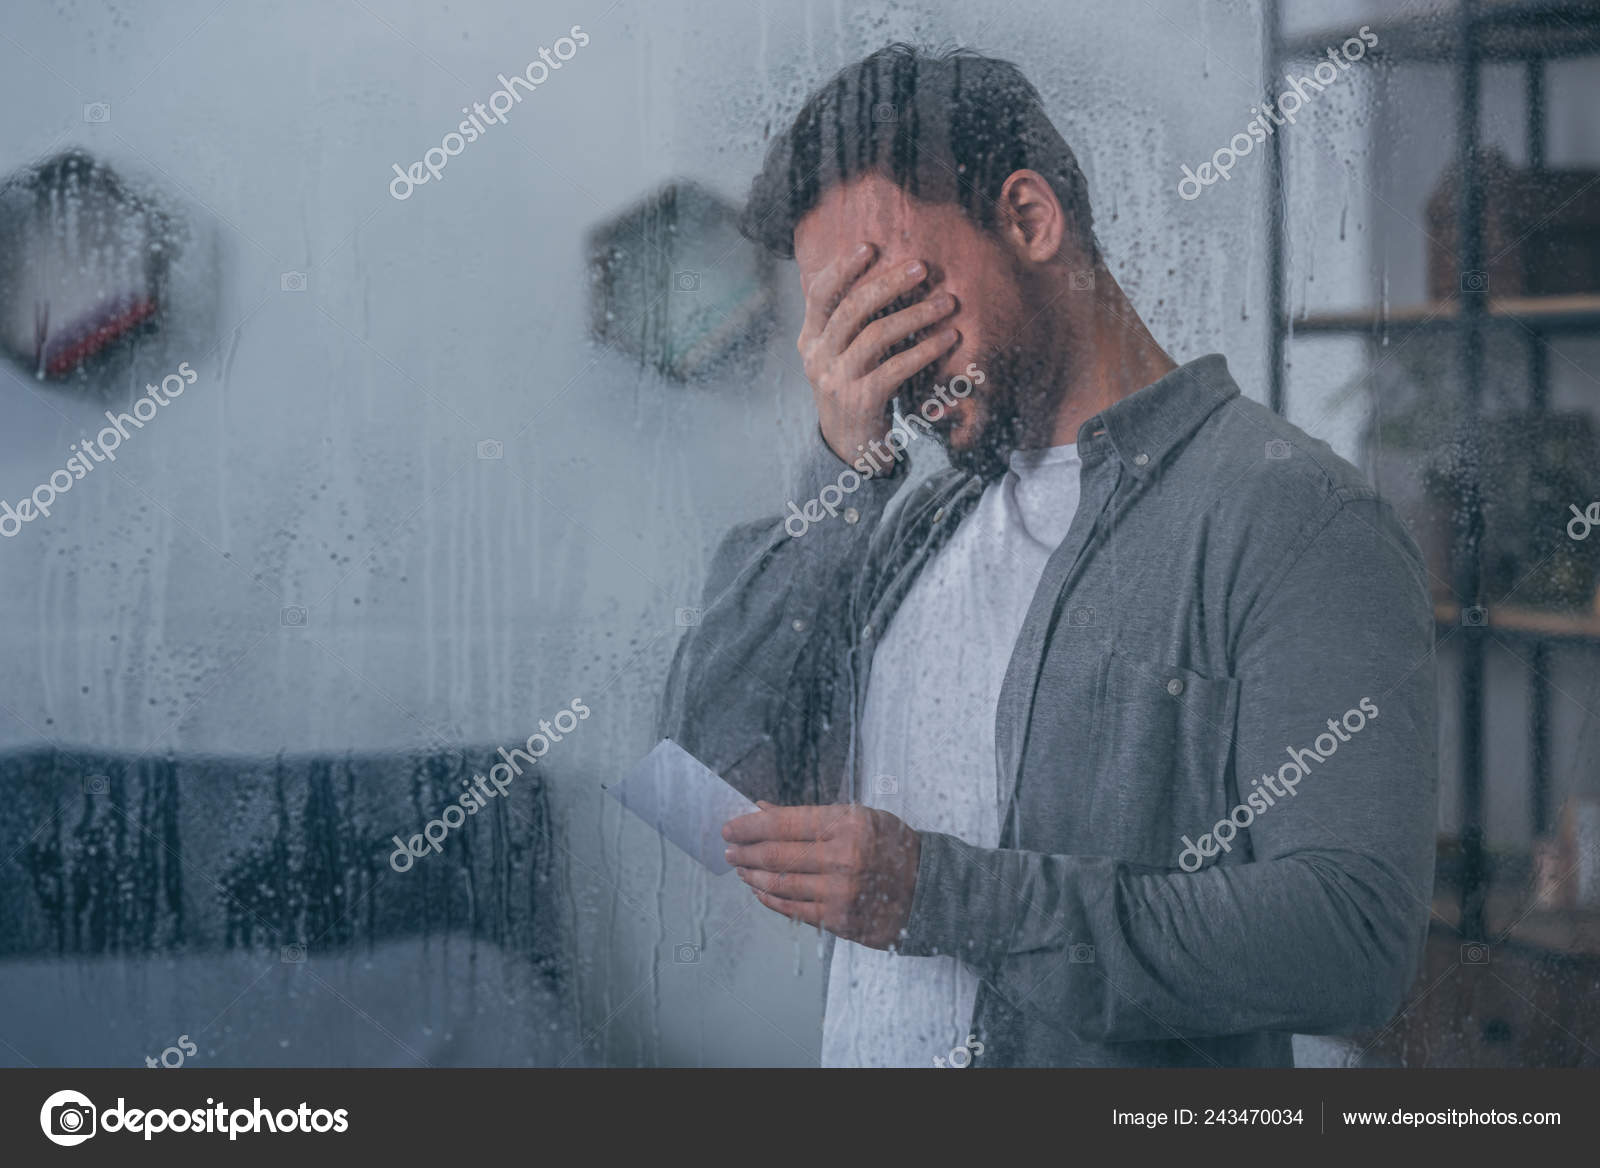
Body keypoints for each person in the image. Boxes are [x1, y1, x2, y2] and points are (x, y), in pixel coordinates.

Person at [659, 43, 1437, 1068]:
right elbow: (694, 785)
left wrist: (941, 897)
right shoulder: (912, 525)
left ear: (1029, 220)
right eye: (839, 323)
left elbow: (1352, 945)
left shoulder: (1293, 514)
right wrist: (843, 469)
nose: (876, 359)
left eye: (889, 300)